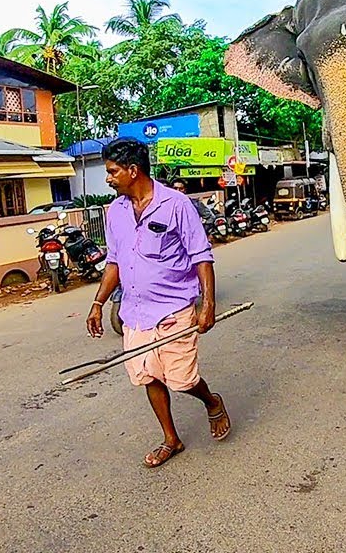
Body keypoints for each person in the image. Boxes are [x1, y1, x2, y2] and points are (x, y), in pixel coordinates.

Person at [86, 138, 231, 468]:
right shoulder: (115, 212)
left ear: (133, 171)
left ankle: (210, 401)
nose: (108, 178)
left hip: (174, 309)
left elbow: (201, 256)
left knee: (182, 380)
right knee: (147, 375)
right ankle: (171, 439)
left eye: (112, 172)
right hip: (134, 314)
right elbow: (114, 261)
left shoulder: (177, 205)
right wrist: (98, 302)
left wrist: (207, 304)